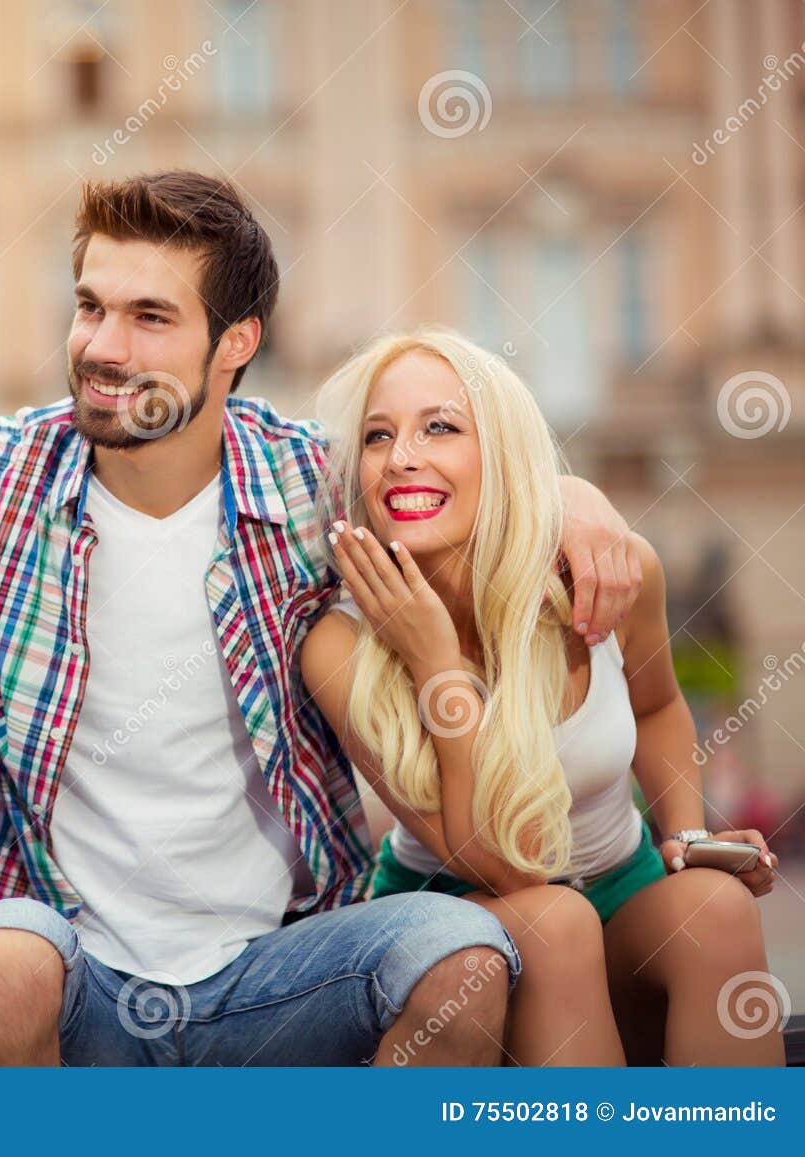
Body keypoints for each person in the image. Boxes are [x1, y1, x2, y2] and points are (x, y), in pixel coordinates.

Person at [0, 171, 644, 1066]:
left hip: (276, 961)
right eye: (89, 306)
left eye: (149, 318)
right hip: (71, 960)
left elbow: (447, 479)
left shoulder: (307, 482)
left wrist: (570, 498)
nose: (103, 345)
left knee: (458, 959)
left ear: (234, 341)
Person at [300, 327, 782, 1066]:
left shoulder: (607, 573)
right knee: (555, 919)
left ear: (502, 453)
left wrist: (684, 837)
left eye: (440, 427)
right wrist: (434, 663)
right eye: (377, 436)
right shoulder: (340, 647)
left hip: (621, 890)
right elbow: (500, 864)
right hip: (464, 912)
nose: (402, 456)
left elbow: (656, 706)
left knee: (715, 910)